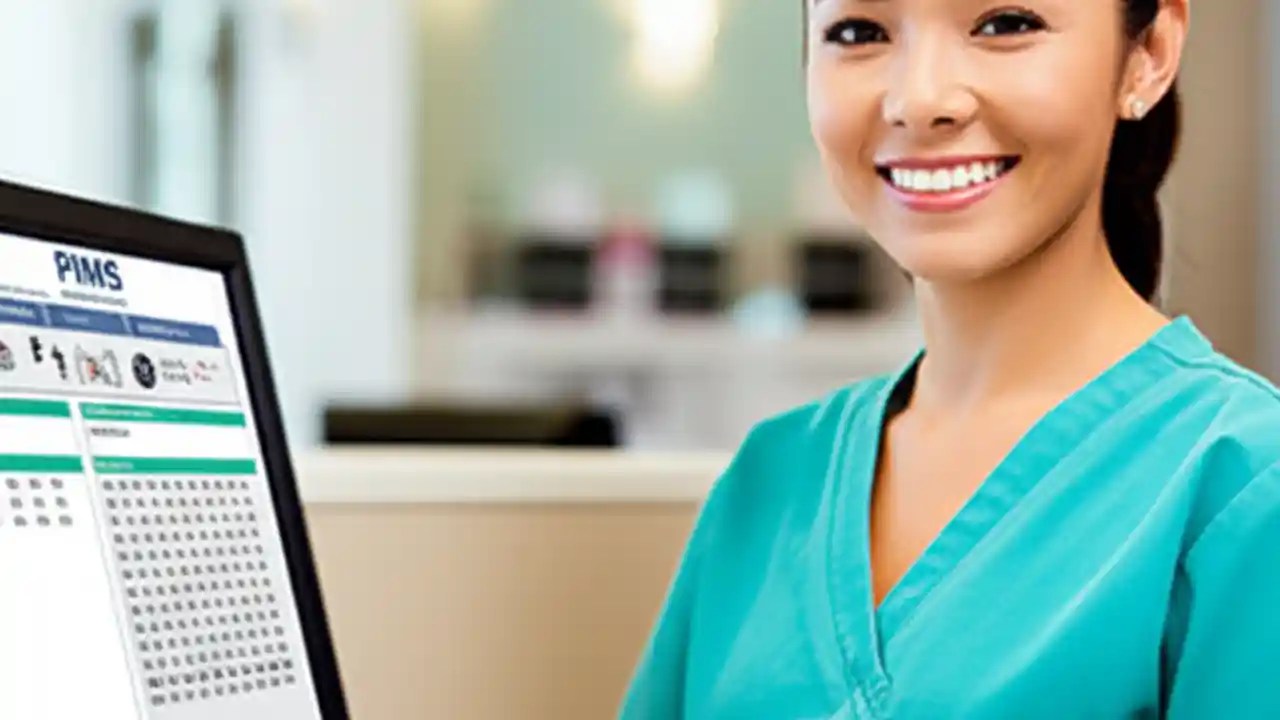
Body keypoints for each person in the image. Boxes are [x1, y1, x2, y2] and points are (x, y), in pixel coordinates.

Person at [619, 0, 1280, 717]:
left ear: (1147, 51)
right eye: (858, 32)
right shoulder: (769, 484)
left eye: (1005, 24)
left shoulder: (1241, 482)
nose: (919, 99)